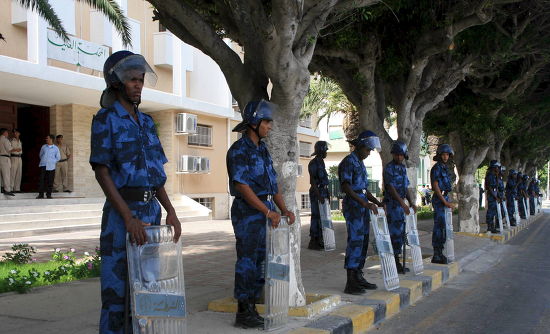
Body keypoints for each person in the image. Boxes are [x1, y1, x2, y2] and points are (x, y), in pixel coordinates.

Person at [90, 50, 182, 334]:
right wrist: (128, 218)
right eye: (132, 79)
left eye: (141, 79)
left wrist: (171, 211)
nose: (138, 84)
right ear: (117, 82)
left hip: (150, 213)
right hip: (122, 216)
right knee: (117, 295)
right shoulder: (106, 119)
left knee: (147, 288)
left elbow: (156, 175)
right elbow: (102, 171)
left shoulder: (147, 123)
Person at [226, 99, 296, 329]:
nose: (270, 126)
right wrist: (267, 210)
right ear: (254, 122)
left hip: (265, 213)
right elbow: (242, 187)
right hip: (248, 213)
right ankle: (243, 312)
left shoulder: (262, 150)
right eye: (267, 122)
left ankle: (252, 307)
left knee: (259, 262)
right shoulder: (239, 150)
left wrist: (284, 209)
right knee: (247, 261)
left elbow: (272, 184)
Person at [338, 130, 382, 294]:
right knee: (355, 242)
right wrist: (364, 203)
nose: (369, 153)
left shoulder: (360, 162)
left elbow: (364, 189)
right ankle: (350, 282)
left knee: (363, 242)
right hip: (354, 207)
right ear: (360, 146)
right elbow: (346, 187)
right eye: (368, 150)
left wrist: (376, 202)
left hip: (362, 207)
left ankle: (358, 276)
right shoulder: (349, 162)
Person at [383, 141, 416, 274]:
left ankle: (397, 261)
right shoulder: (388, 168)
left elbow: (405, 187)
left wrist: (411, 202)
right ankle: (393, 263)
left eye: (401, 155)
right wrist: (402, 204)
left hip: (400, 206)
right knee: (393, 234)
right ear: (393, 154)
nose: (399, 157)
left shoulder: (402, 168)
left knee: (400, 234)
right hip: (392, 205)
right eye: (397, 155)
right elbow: (390, 187)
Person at [430, 144, 455, 264]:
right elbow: (436, 186)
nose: (445, 157)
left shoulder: (444, 167)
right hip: (439, 199)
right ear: (439, 155)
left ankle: (440, 252)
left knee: (444, 227)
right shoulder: (437, 168)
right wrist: (445, 201)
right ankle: (436, 254)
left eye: (447, 154)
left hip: (444, 197)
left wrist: (448, 201)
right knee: (439, 226)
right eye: (443, 154)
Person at [307, 140, 330, 250]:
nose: (326, 152)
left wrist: (327, 195)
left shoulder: (321, 162)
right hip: (317, 192)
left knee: (323, 217)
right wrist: (319, 196)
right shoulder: (313, 163)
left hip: (323, 192)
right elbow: (313, 181)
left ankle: (320, 239)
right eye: (325, 150)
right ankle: (313, 241)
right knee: (316, 216)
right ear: (320, 150)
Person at [37, 135, 60, 199]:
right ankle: (41, 195)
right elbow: (40, 155)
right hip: (43, 165)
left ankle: (48, 195)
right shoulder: (43, 147)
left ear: (51, 139)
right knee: (41, 180)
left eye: (47, 138)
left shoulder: (56, 148)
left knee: (50, 181)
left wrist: (52, 161)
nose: (46, 139)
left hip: (51, 166)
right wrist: (44, 160)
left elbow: (58, 158)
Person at [484, 160, 500, 233]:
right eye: (497, 167)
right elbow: (490, 188)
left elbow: (496, 186)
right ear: (494, 167)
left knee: (493, 212)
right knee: (490, 212)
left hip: (494, 194)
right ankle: (489, 227)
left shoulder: (494, 175)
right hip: (491, 196)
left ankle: (492, 226)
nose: (498, 168)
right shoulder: (489, 175)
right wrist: (495, 196)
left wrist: (497, 175)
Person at [0, 128, 15, 196]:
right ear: (4, 133)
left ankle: (2, 188)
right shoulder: (5, 140)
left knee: (1, 175)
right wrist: (16, 149)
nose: (8, 134)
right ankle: (7, 189)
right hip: (5, 158)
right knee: (6, 174)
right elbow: (9, 149)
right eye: (7, 132)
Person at [10, 129, 22, 193]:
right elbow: (9, 149)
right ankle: (11, 188)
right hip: (13, 157)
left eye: (16, 132)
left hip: (19, 157)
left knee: (19, 173)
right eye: (14, 133)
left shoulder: (20, 141)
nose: (15, 134)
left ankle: (17, 188)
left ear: (19, 133)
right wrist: (15, 150)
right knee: (12, 172)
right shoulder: (11, 140)